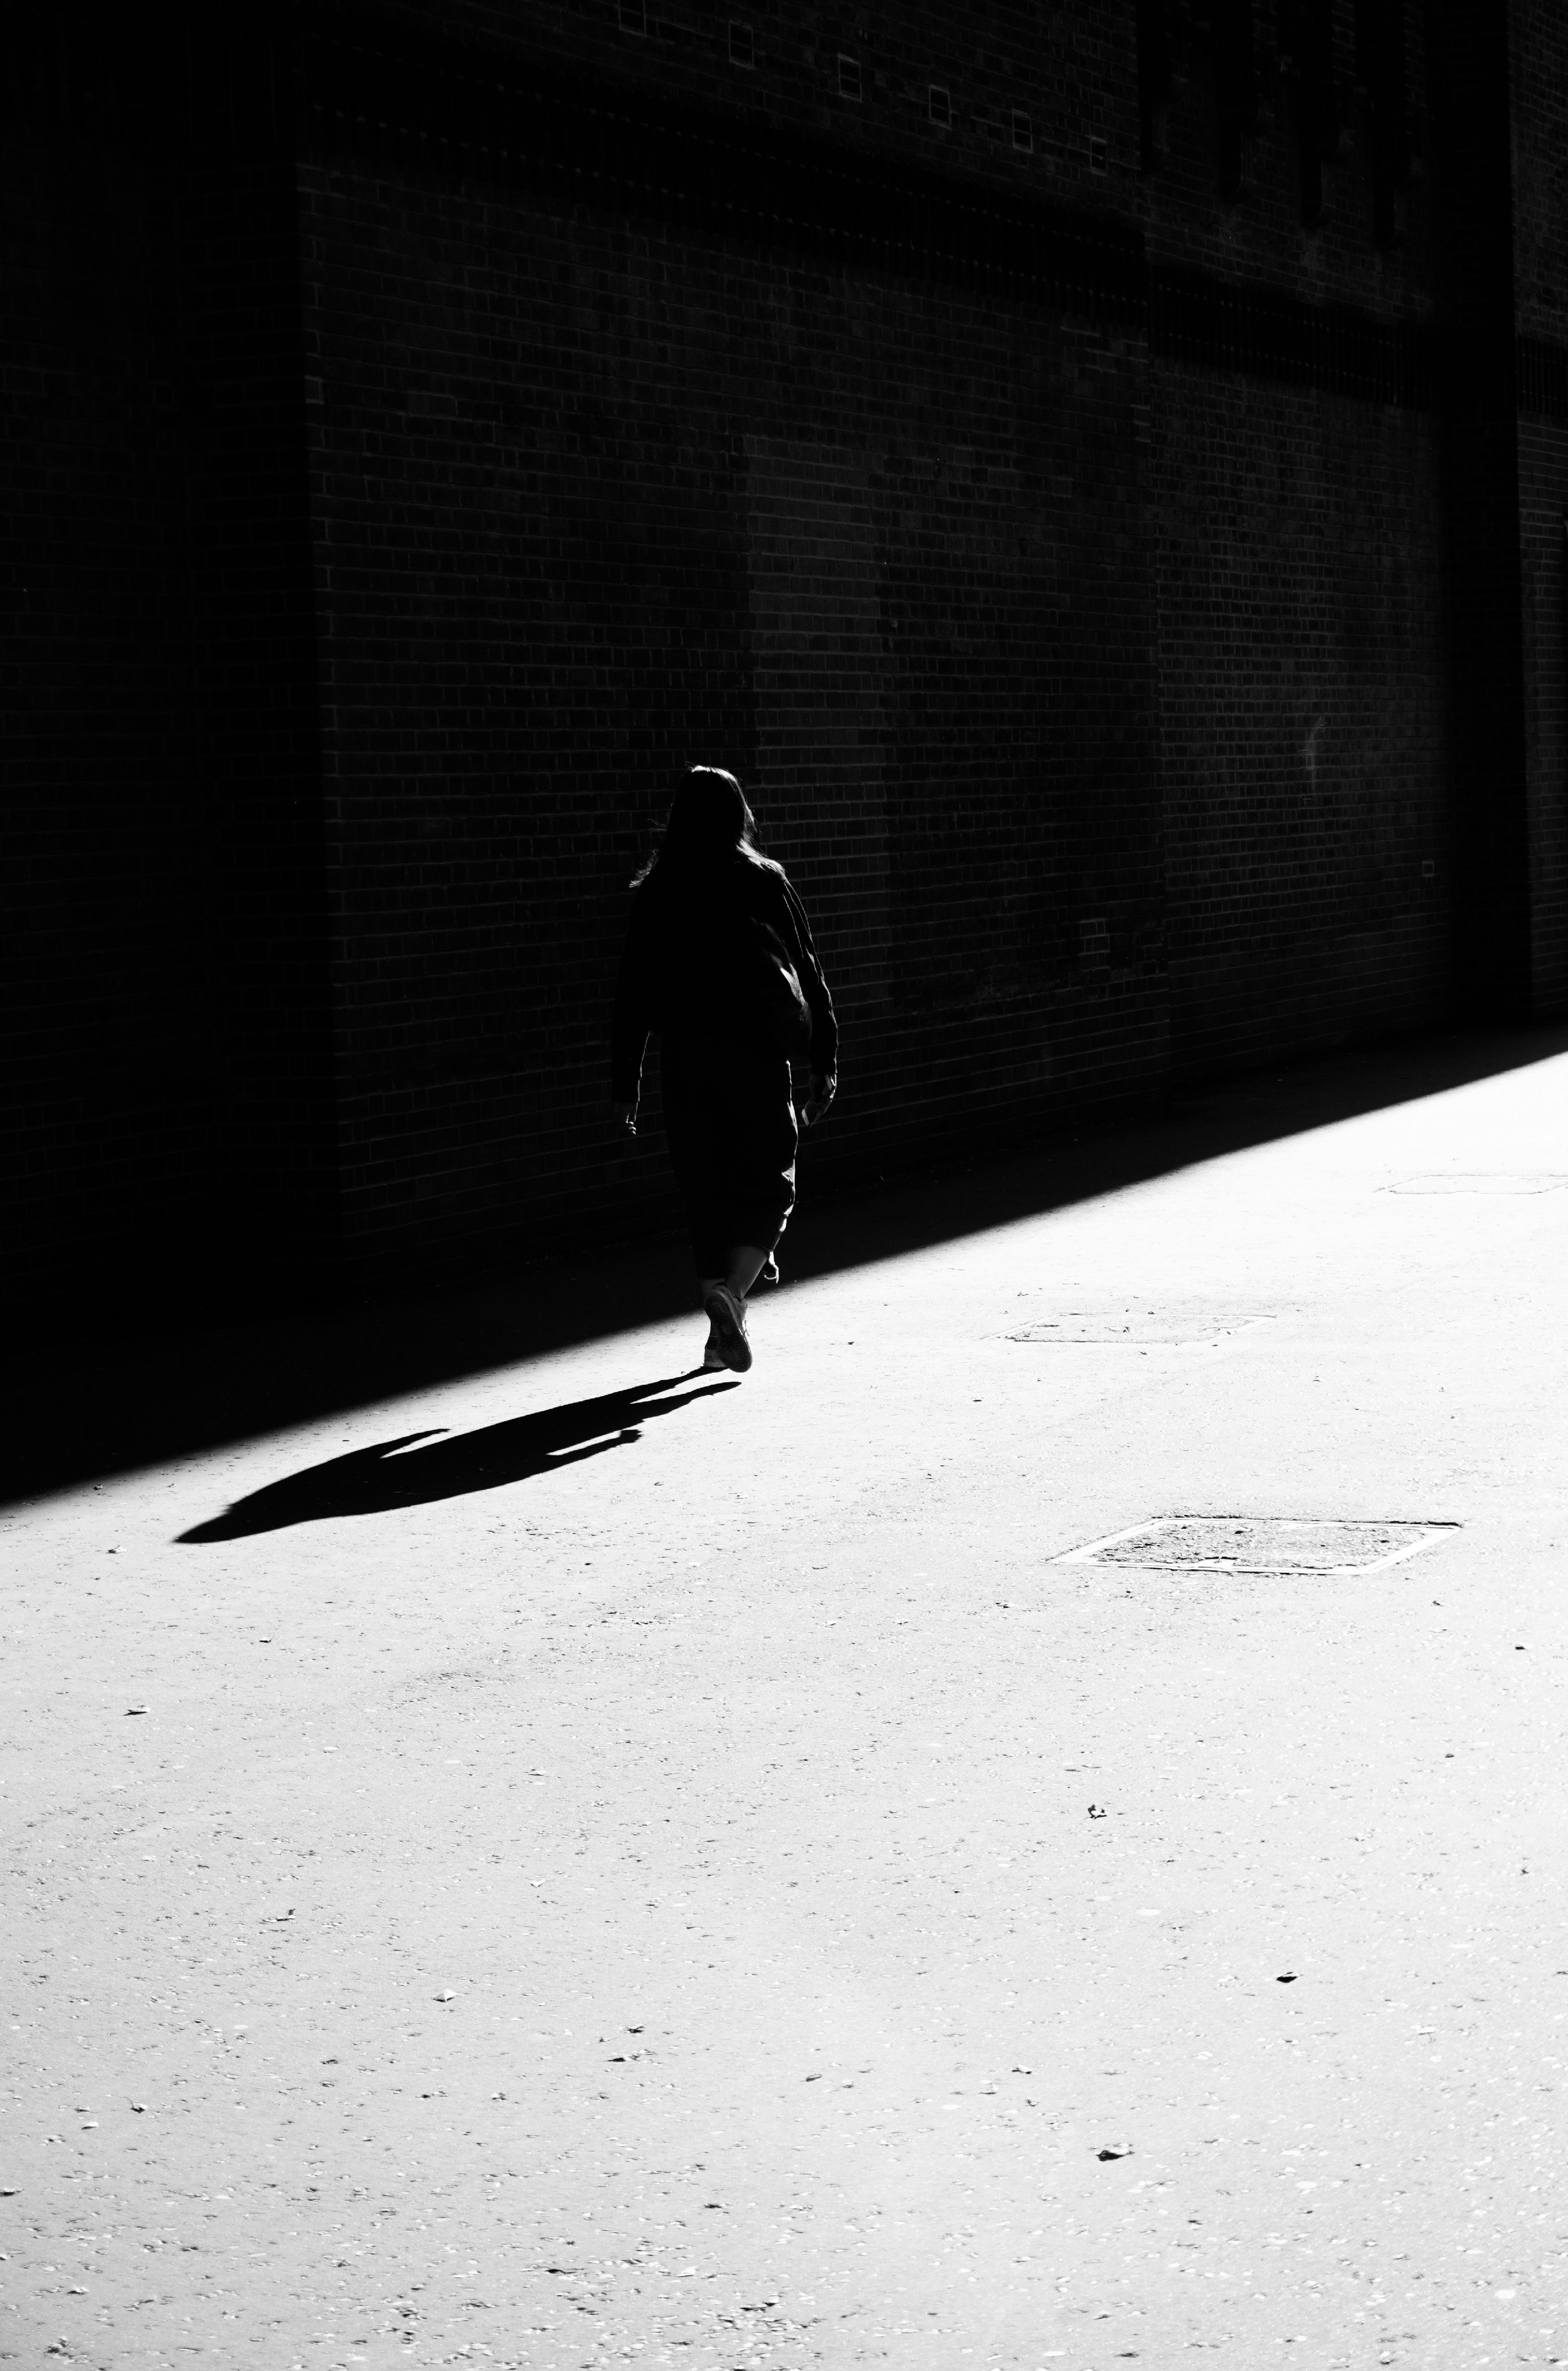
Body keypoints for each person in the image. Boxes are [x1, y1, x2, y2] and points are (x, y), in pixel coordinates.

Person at [611, 766, 838, 1374]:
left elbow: (633, 989)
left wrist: (624, 1080)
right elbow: (807, 971)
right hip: (757, 1055)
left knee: (704, 1189)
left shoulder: (659, 888)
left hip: (685, 1058)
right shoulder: (764, 880)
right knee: (771, 1181)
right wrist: (824, 1057)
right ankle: (732, 1295)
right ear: (740, 816)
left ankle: (719, 1339)